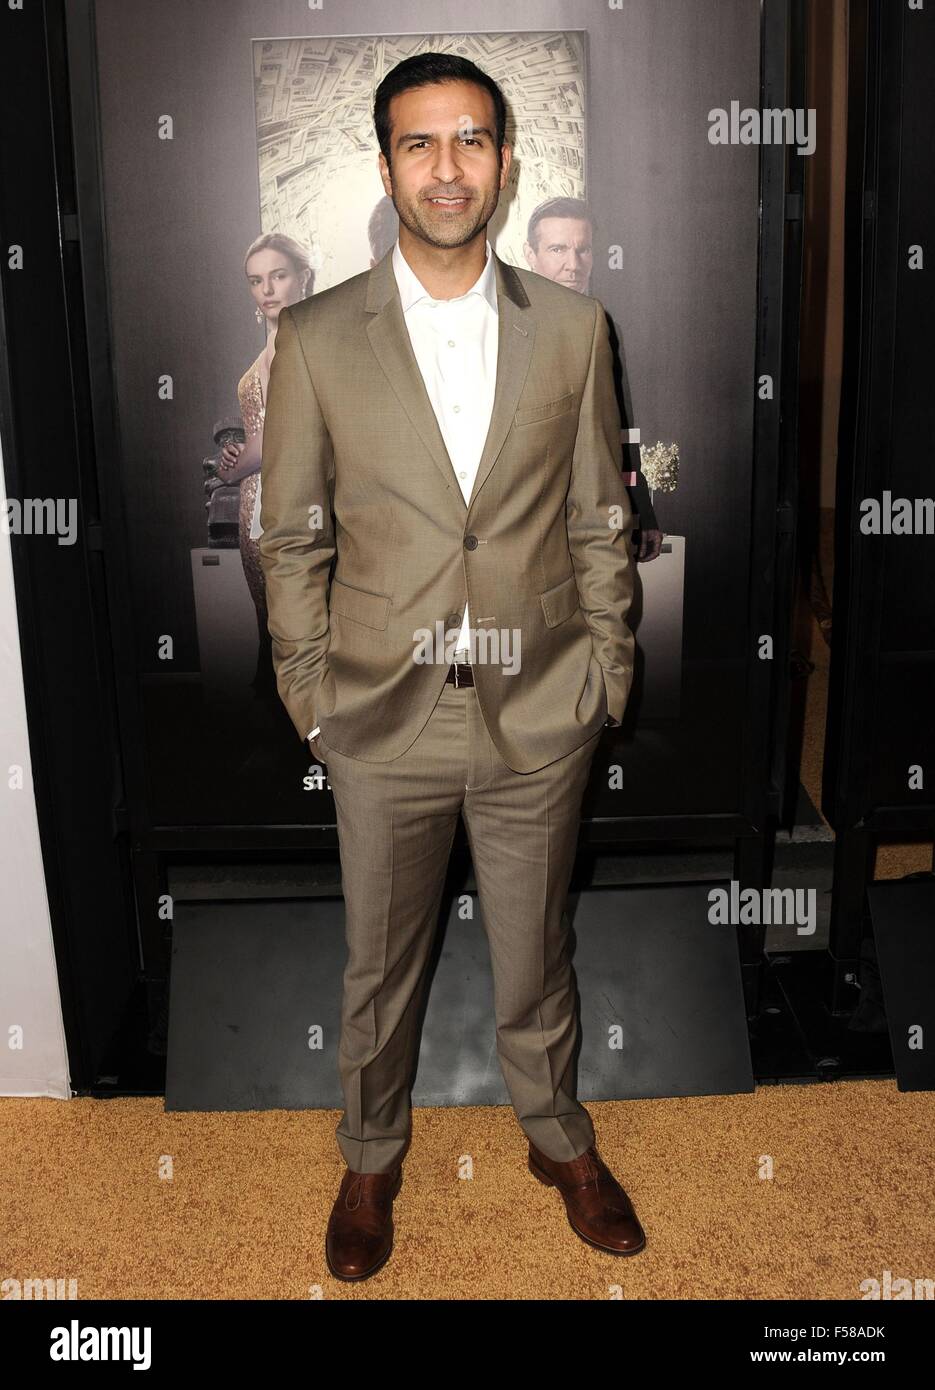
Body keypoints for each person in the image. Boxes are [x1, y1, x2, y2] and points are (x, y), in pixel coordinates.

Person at [259, 51, 646, 1281]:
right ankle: (370, 1156)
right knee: (378, 971)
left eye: (470, 140)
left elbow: (598, 519)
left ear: (505, 159)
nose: (446, 167)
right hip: (380, 716)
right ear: (384, 167)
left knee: (537, 952)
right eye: (419, 144)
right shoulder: (315, 339)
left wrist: (606, 675)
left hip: (542, 704)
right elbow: (291, 536)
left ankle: (556, 1137)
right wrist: (313, 696)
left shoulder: (577, 327)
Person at [217, 233, 313, 689]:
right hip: (254, 512)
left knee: (293, 636)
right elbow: (262, 429)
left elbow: (284, 433)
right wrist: (236, 452)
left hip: (287, 510)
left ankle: (296, 745)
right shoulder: (276, 340)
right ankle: (285, 742)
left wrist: (233, 469)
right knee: (273, 631)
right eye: (256, 281)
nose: (267, 290)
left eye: (278, 276)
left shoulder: (301, 339)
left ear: (303, 277)